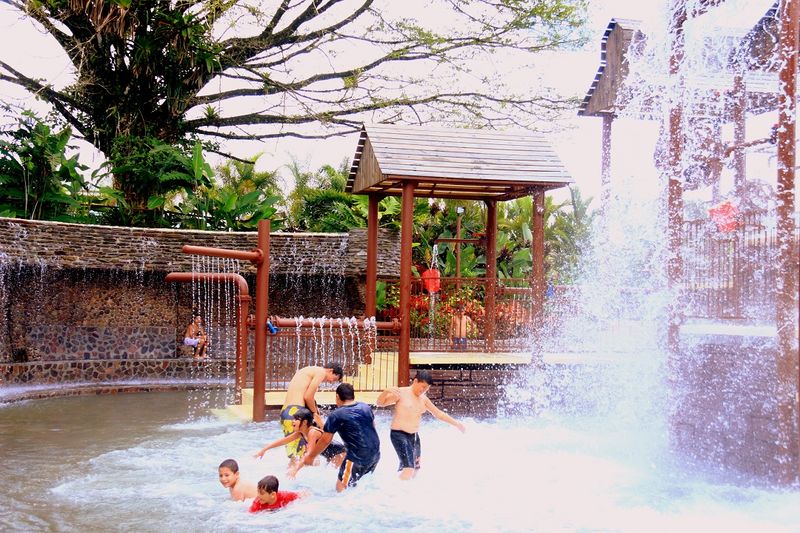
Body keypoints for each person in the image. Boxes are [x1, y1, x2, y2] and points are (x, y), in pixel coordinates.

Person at [376, 370, 466, 480]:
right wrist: (385, 392)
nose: (423, 390)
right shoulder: (401, 393)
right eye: (422, 387)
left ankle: (404, 488)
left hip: (414, 437)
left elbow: (438, 413)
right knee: (409, 469)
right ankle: (395, 495)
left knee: (415, 469)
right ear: (415, 381)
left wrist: (456, 424)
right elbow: (380, 403)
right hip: (399, 435)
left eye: (426, 388)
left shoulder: (423, 399)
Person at [290, 383, 380, 492]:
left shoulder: (337, 414)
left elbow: (325, 440)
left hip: (356, 456)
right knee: (359, 486)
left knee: (341, 488)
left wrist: (311, 456)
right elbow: (372, 427)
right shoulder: (365, 407)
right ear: (353, 395)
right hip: (375, 454)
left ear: (337, 396)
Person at [279, 363, 343, 461]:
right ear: (330, 370)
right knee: (301, 459)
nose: (331, 382)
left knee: (295, 457)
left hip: (286, 414)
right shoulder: (321, 372)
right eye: (333, 379)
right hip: (296, 413)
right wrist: (315, 413)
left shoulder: (308, 371)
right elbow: (308, 397)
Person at [254, 407, 346, 469]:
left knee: (337, 481)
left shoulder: (312, 432)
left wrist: (296, 469)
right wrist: (264, 450)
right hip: (331, 456)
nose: (292, 422)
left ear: (305, 422)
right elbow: (282, 441)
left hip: (340, 454)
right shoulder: (301, 433)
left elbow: (309, 454)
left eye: (296, 419)